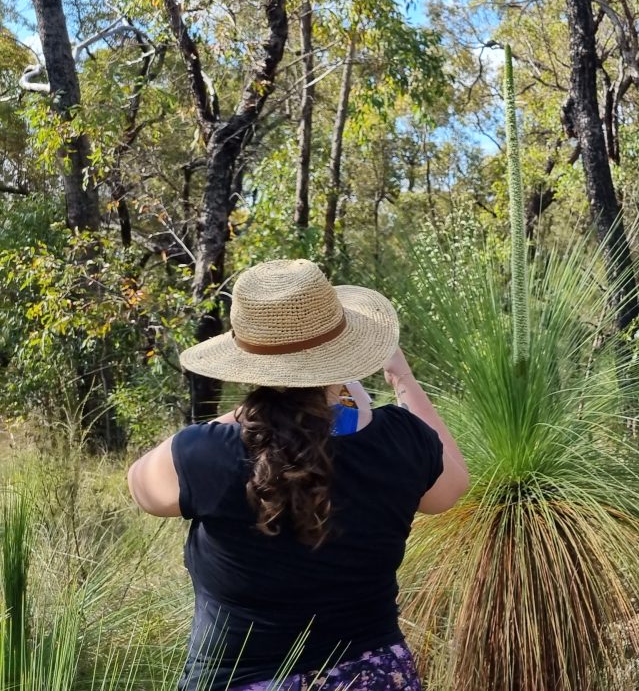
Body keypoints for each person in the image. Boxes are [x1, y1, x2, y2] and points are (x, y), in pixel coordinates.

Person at [126, 259, 470, 690]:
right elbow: (451, 488)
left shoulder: (205, 452)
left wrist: (247, 414)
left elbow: (141, 487)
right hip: (374, 677)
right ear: (344, 354)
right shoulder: (401, 440)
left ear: (243, 362)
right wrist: (400, 375)